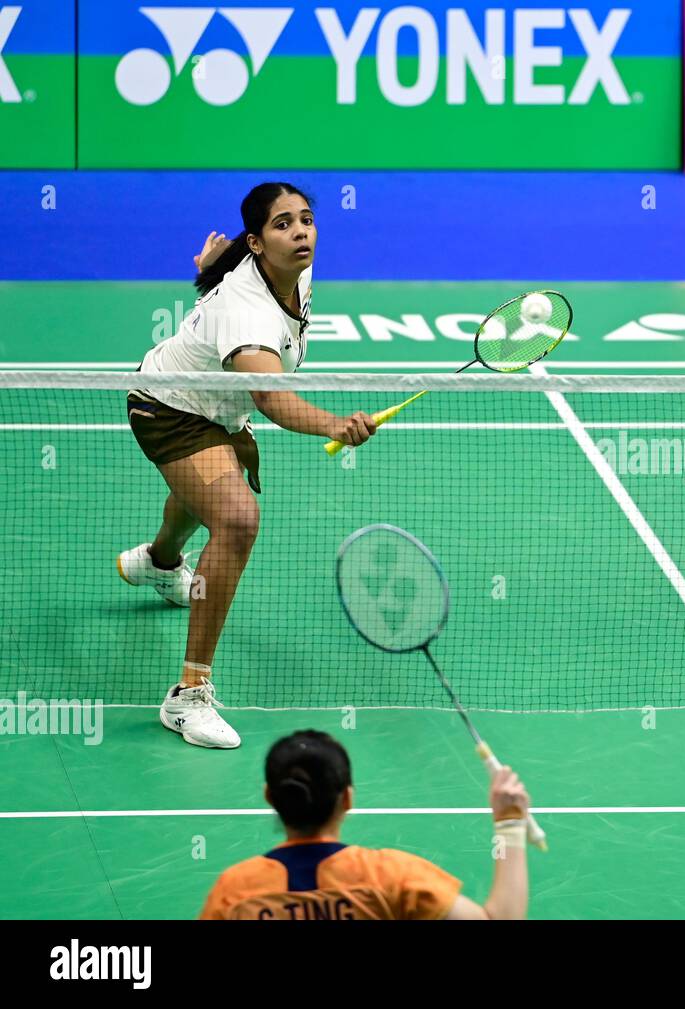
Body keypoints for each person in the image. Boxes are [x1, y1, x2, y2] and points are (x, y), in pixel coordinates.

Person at [118, 183, 376, 748]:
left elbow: (237, 254)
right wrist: (334, 424)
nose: (301, 232)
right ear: (260, 243)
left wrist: (211, 265)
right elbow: (271, 398)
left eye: (306, 219)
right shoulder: (247, 310)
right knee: (236, 518)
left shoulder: (292, 269)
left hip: (215, 405)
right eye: (284, 225)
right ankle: (188, 695)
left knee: (204, 489)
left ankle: (159, 564)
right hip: (168, 407)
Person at [199, 731, 532, 920]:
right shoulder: (391, 878)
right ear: (347, 798)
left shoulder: (235, 893)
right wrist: (510, 823)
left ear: (270, 796)